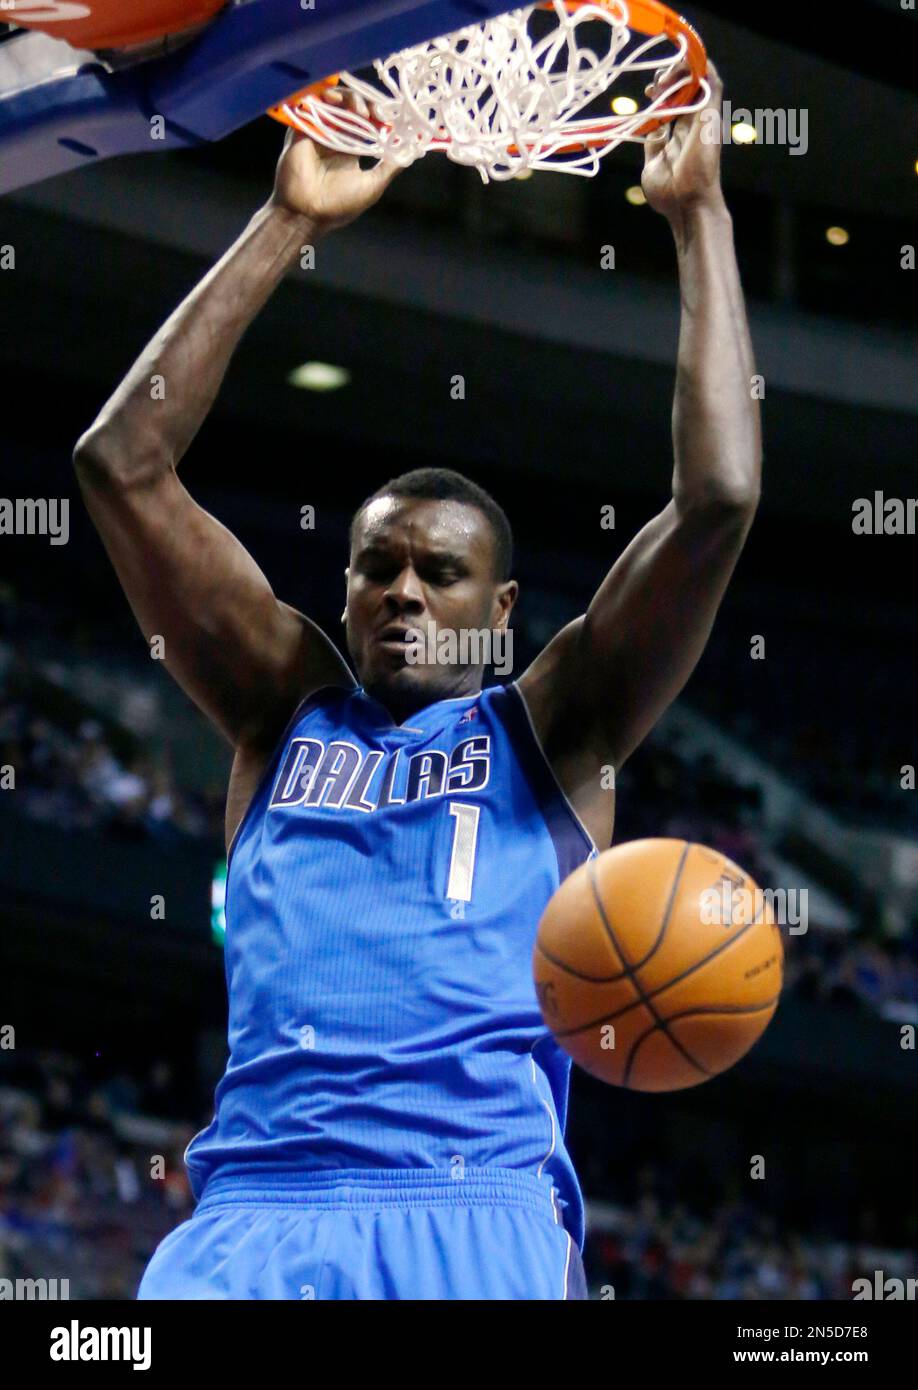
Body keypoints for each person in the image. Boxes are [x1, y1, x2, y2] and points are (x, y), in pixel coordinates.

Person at [73, 65, 761, 1300]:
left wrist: (700, 217)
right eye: (375, 566)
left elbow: (718, 503)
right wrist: (285, 221)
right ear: (341, 591)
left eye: (438, 573)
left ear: (500, 614)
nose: (401, 590)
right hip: (252, 1218)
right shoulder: (281, 704)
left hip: (473, 1214)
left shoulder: (559, 723)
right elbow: (119, 462)